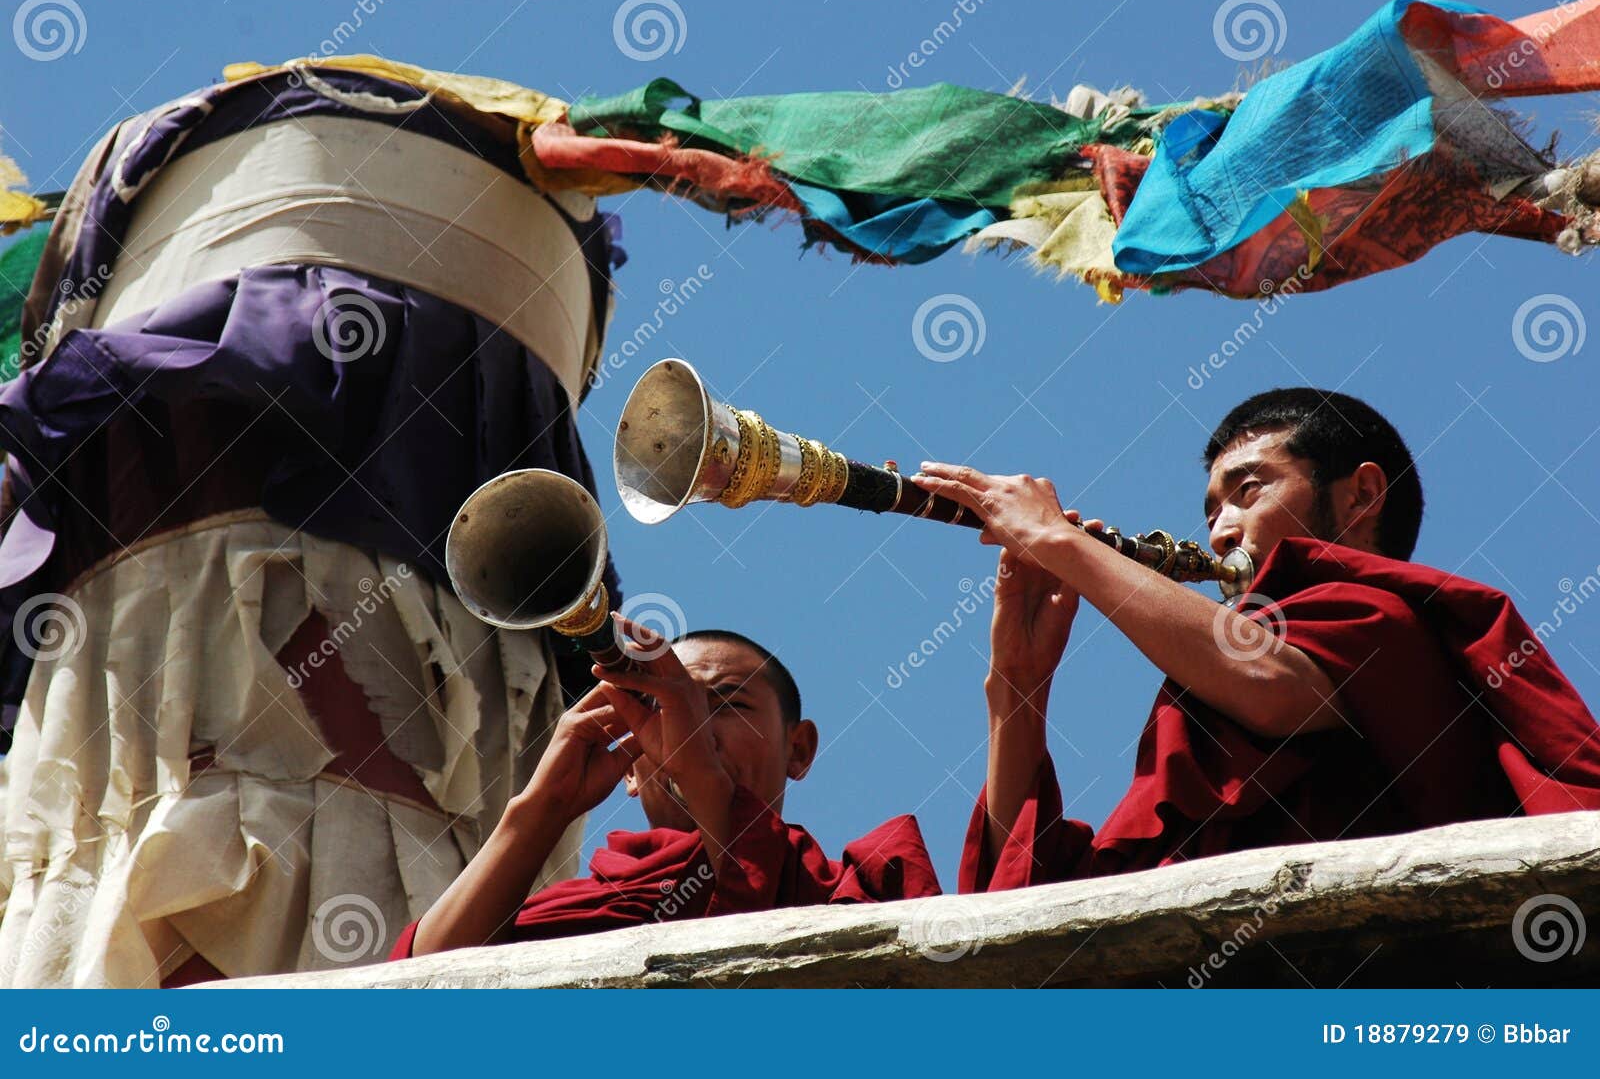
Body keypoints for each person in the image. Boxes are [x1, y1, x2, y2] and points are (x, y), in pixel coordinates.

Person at [911, 388, 1600, 891]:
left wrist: (1058, 542)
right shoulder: (1209, 680)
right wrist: (1018, 684)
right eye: (1211, 509)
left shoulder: (1389, 622)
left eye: (1248, 492)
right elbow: (1035, 882)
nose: (1219, 531)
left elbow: (1273, 689)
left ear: (1360, 495)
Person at [392, 615, 940, 956]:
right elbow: (418, 1000)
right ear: (629, 769)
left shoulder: (856, 889)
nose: (689, 730)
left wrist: (700, 772)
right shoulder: (572, 909)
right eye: (663, 710)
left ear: (798, 749)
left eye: (726, 704)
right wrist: (540, 810)